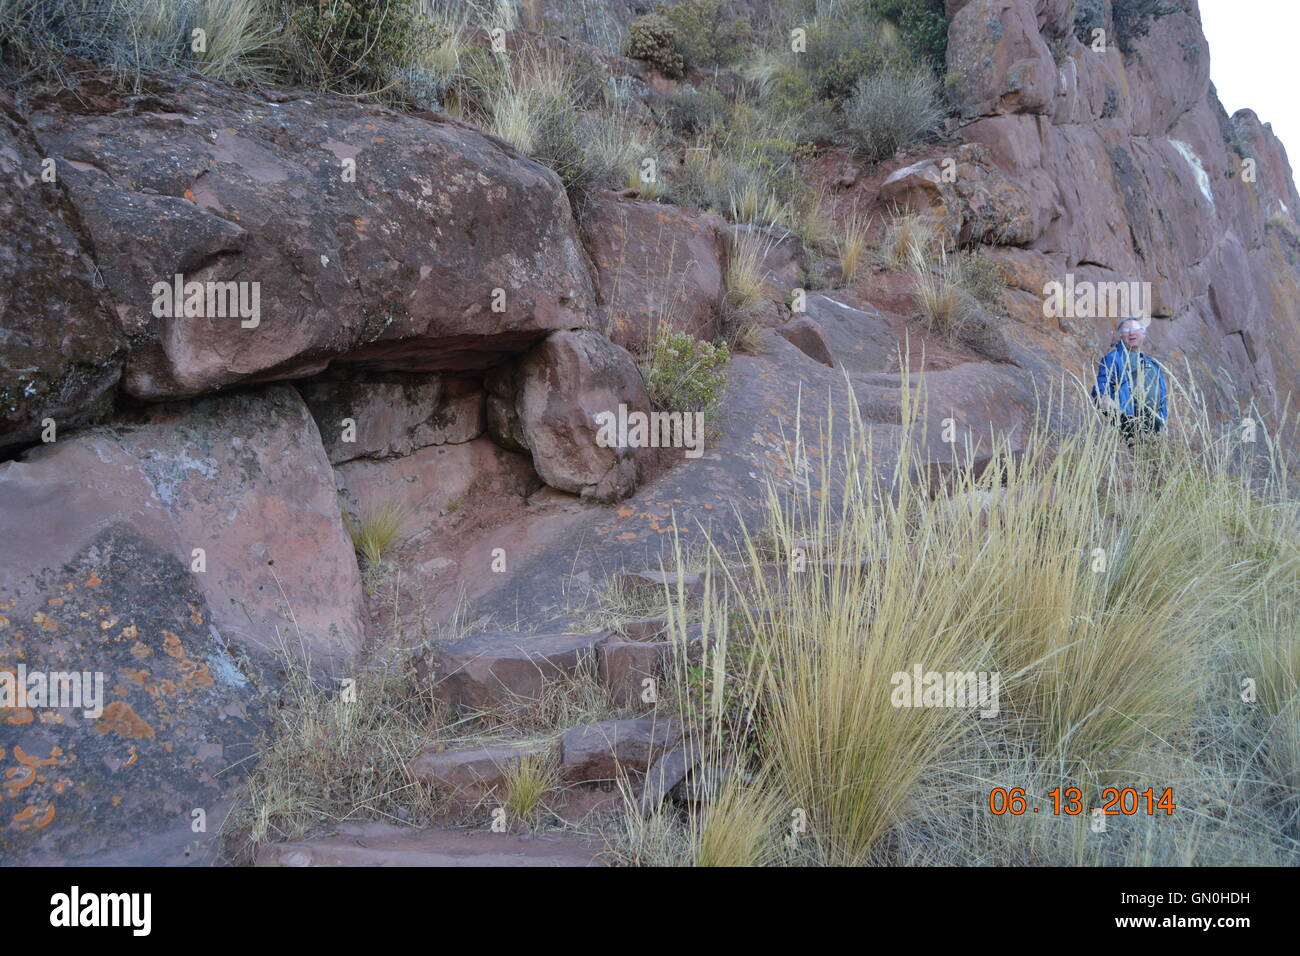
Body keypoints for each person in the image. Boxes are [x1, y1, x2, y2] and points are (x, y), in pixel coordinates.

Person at [1092, 318, 1167, 445]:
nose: (1131, 333)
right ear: (1121, 335)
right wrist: (1118, 415)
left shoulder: (1152, 364)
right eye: (1126, 330)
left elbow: (1162, 395)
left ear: (1143, 334)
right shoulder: (1114, 358)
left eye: (1135, 330)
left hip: (1154, 428)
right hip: (1129, 428)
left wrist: (1163, 420)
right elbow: (1102, 388)